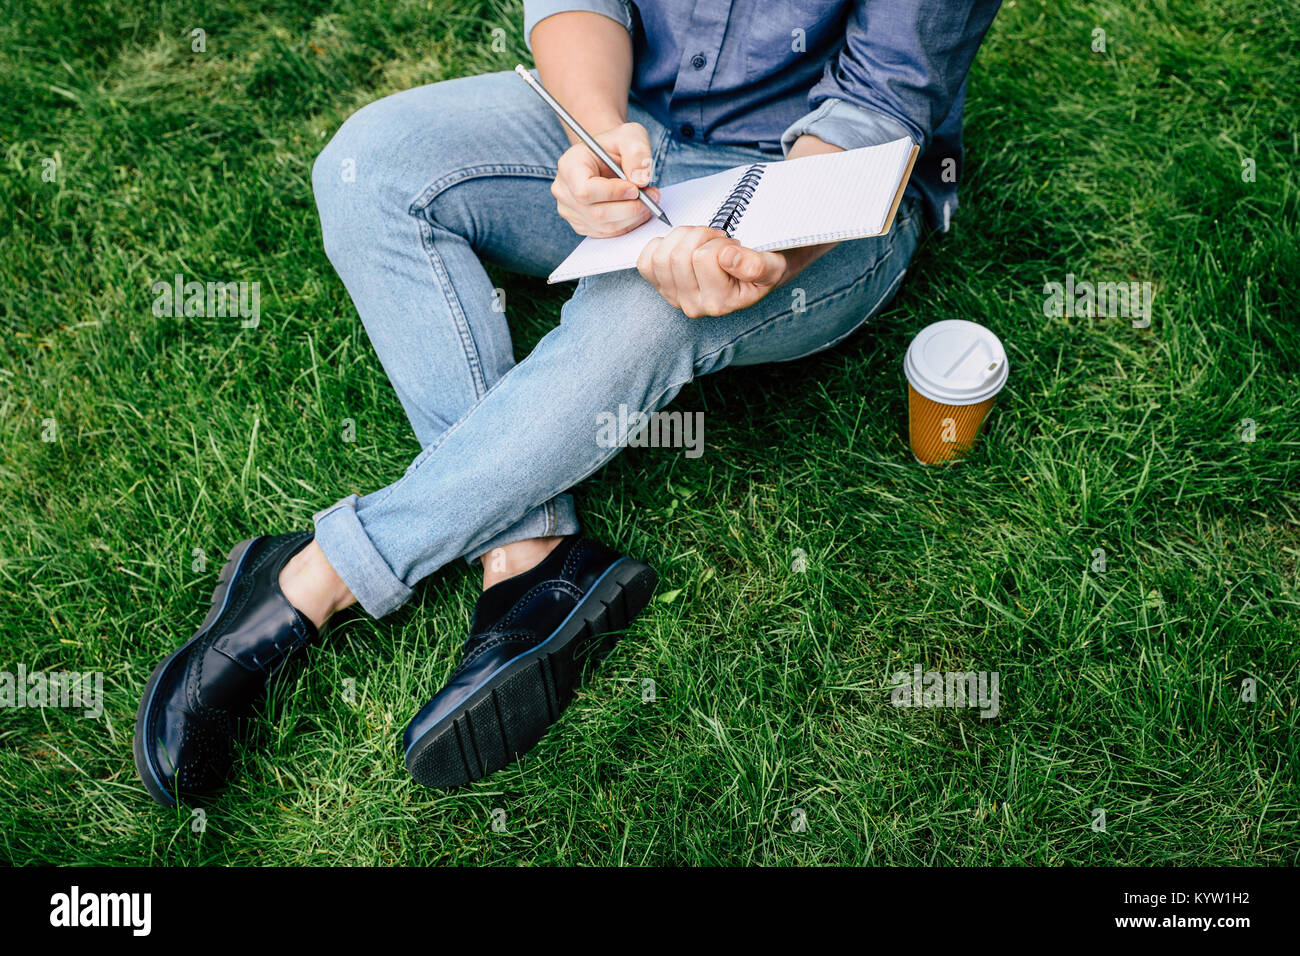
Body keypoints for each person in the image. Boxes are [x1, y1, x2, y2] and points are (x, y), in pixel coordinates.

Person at [133, 0, 1002, 805]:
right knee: (370, 165)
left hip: (826, 200)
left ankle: (306, 581)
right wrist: (595, 127)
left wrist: (762, 243)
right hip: (641, 139)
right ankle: (531, 557)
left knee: (648, 310)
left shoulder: (826, 191)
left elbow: (881, 108)